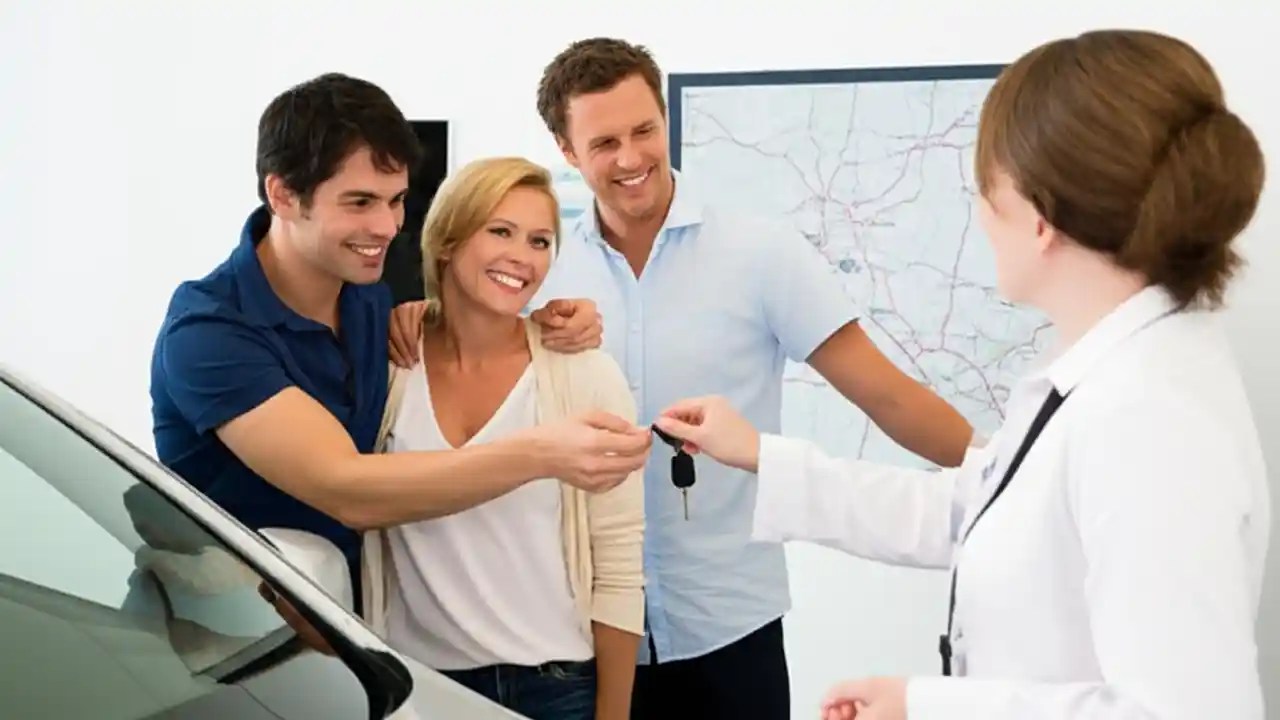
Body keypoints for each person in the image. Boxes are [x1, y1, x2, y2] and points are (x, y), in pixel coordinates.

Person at [652, 29, 1270, 720]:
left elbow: (1185, 712)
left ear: (1041, 219)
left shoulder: (1150, 420)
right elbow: (969, 510)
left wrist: (928, 706)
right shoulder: (1103, 370)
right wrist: (759, 454)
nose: (977, 213)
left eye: (986, 188)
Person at [387, 38, 975, 718]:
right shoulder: (541, 273)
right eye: (604, 141)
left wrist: (1013, 474)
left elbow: (889, 395)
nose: (632, 157)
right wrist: (416, 315)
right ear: (567, 150)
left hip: (730, 627)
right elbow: (465, 334)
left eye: (645, 130)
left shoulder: (761, 254)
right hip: (584, 647)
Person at [149, 72, 650, 603]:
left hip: (354, 631)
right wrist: (542, 453)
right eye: (360, 202)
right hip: (229, 642)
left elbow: (476, 297)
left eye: (396, 200)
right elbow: (348, 490)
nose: (388, 226)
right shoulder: (209, 334)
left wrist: (563, 318)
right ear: (284, 195)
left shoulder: (369, 292)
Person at [364, 156, 644, 720]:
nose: (523, 257)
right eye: (501, 231)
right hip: (418, 687)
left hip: (555, 689)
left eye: (540, 241)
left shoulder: (583, 374)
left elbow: (619, 565)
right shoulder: (390, 365)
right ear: (447, 239)